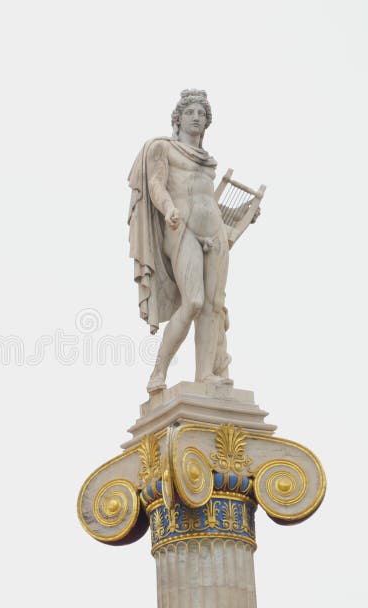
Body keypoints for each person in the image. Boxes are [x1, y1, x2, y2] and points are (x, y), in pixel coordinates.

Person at [128, 89, 239, 392]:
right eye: (190, 112)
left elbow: (208, 201)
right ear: (177, 118)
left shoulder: (207, 160)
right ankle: (159, 370)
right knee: (193, 301)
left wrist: (240, 212)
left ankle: (205, 375)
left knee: (213, 305)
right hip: (181, 227)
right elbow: (155, 184)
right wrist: (168, 209)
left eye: (202, 114)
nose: (196, 118)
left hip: (214, 230)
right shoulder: (163, 148)